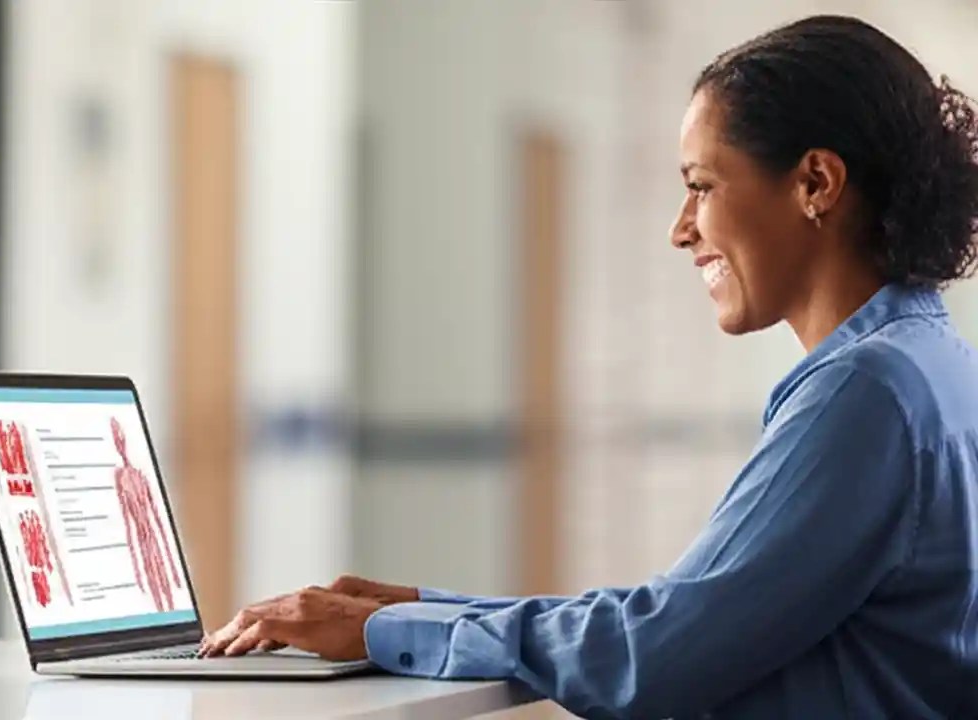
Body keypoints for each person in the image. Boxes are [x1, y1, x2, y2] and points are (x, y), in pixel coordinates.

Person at [200, 15, 978, 719]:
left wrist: (387, 630)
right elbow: (684, 614)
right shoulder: (934, 367)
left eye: (701, 187)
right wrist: (421, 611)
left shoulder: (865, 394)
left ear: (815, 183)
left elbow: (654, 656)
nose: (682, 229)